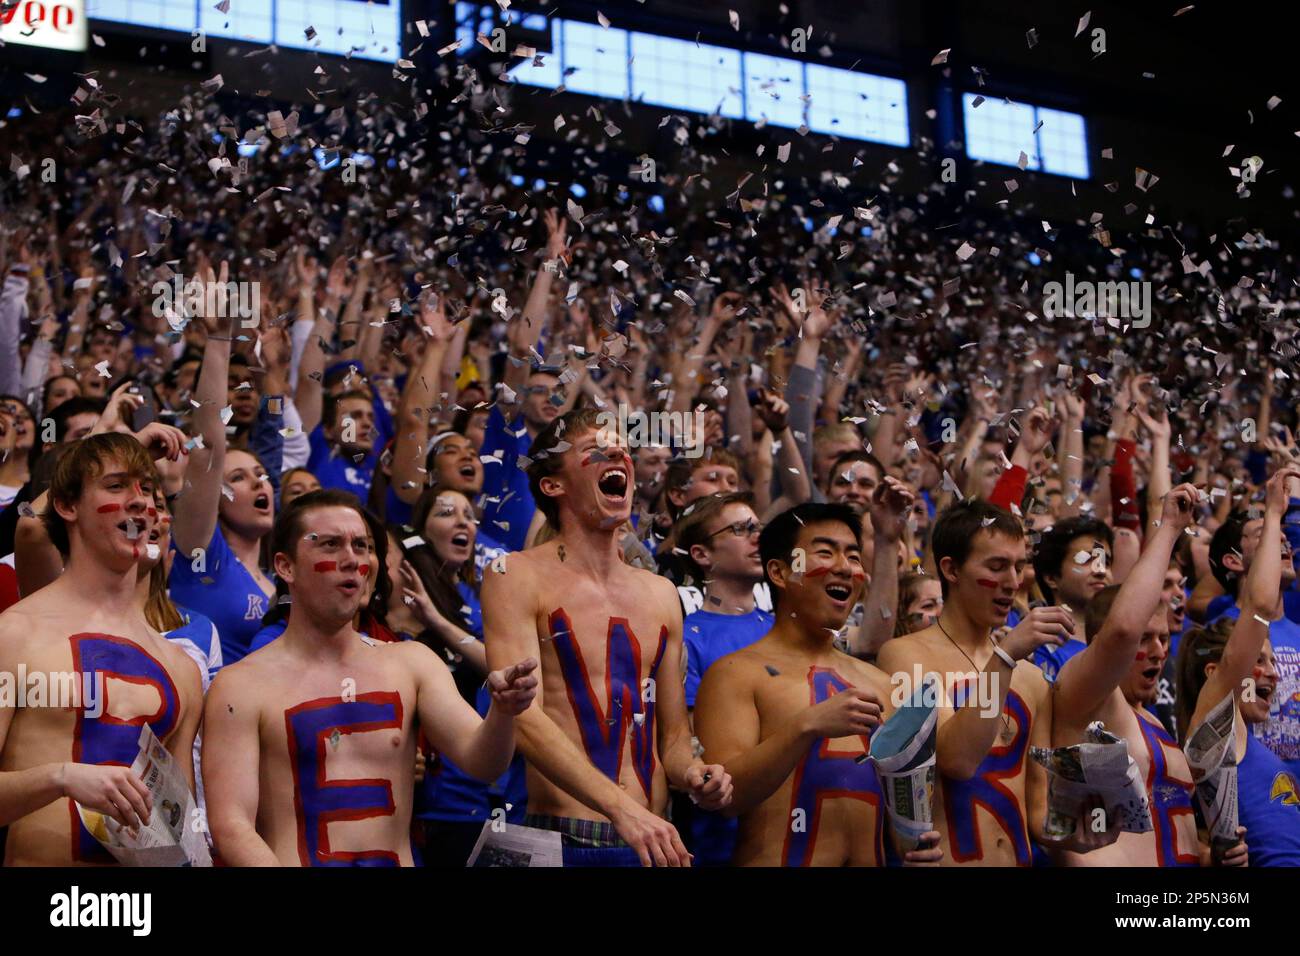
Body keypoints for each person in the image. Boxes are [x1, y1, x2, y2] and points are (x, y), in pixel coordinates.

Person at [201, 489, 539, 866]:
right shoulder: (240, 686)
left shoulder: (412, 663)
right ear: (285, 566)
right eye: (330, 544)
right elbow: (231, 826)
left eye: (361, 546)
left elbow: (483, 762)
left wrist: (504, 711)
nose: (351, 560)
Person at [482, 408, 733, 866]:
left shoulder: (661, 593)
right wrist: (621, 808)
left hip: (652, 840)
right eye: (596, 450)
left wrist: (696, 774)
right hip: (559, 835)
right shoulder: (514, 574)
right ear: (553, 485)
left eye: (622, 448)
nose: (618, 453)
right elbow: (522, 718)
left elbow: (674, 735)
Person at [694, 502, 944, 866]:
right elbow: (725, 799)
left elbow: (902, 818)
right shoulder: (735, 673)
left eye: (854, 557)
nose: (845, 567)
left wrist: (915, 851)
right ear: (780, 572)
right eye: (825, 552)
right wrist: (805, 725)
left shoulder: (882, 684)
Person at [877, 498, 1116, 865]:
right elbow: (958, 759)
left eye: (1019, 566)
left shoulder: (1032, 678)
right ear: (951, 569)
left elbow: (1037, 811)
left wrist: (1077, 835)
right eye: (997, 566)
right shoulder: (905, 656)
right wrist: (1003, 657)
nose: (1013, 582)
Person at [0, 433, 203, 864]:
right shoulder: (14, 635)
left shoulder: (181, 668)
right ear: (67, 505)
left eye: (147, 489)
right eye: (115, 486)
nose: (139, 502)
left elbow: (180, 832)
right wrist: (60, 778)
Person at [1049, 484, 1245, 866]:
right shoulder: (1084, 695)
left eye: (1164, 639)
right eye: (1147, 638)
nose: (1159, 650)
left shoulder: (1152, 721)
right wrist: (1169, 528)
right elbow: (1122, 629)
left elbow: (1166, 829)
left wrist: (1211, 857)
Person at [1177, 468, 1300, 867]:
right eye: (1256, 661)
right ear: (1217, 673)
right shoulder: (1217, 727)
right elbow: (1260, 607)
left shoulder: (1256, 744)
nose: (1273, 673)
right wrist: (1276, 513)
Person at [1207, 504, 1300, 773]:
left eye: (1281, 532)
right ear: (1234, 561)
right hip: (1250, 791)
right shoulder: (1221, 635)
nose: (1282, 538)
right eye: (1265, 534)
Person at [1029, 516, 1114, 681]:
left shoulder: (1123, 641)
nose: (1101, 570)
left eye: (1106, 561)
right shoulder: (1037, 644)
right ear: (1051, 577)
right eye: (1085, 560)